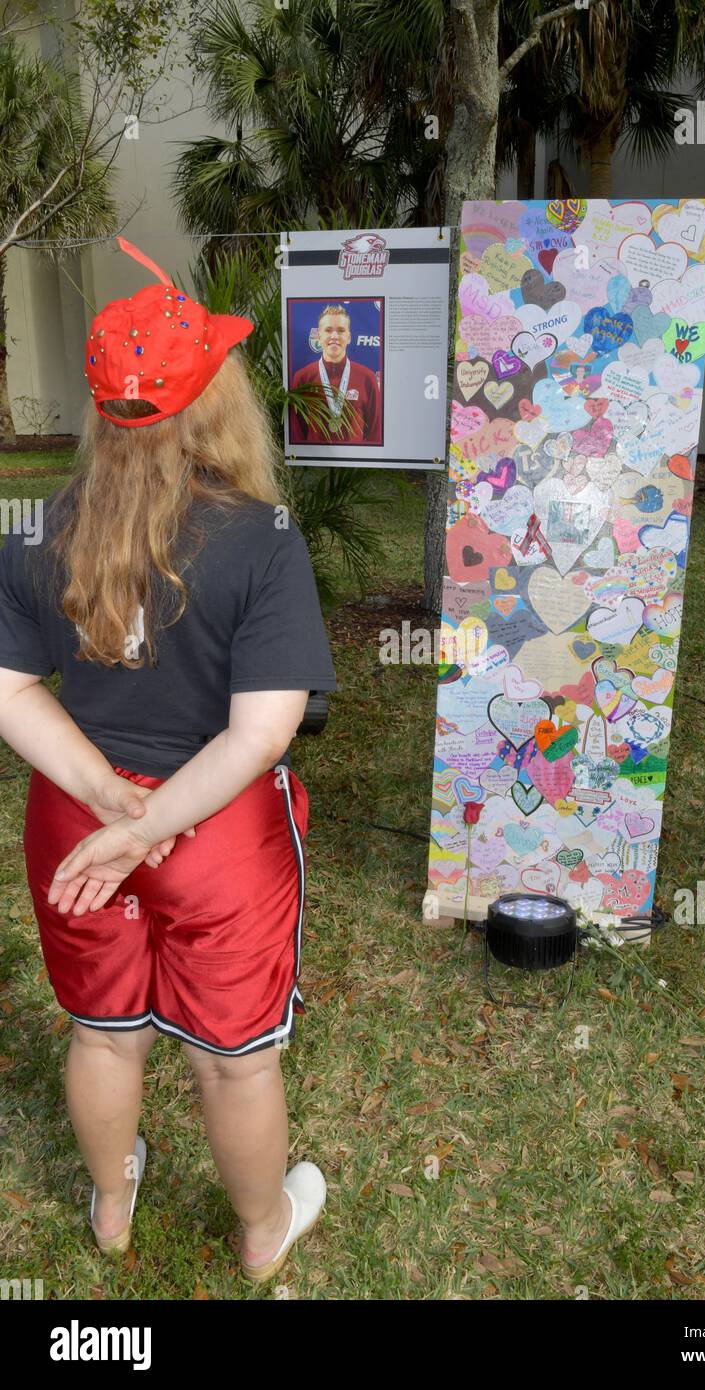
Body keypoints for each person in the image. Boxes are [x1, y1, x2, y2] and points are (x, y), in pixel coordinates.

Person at [0, 236, 338, 1284]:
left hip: (75, 820)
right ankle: (259, 1229)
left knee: (103, 1035)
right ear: (213, 403)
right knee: (233, 1058)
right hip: (216, 831)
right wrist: (147, 822)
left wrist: (110, 800)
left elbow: (8, 689)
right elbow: (262, 734)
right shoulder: (265, 538)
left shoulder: (32, 528)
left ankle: (113, 1205)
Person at [289, 303, 382, 446]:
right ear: (319, 336)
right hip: (314, 465)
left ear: (349, 337)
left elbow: (375, 432)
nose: (334, 336)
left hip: (355, 465)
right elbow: (297, 431)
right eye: (328, 330)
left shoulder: (367, 378)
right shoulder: (303, 378)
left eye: (340, 330)